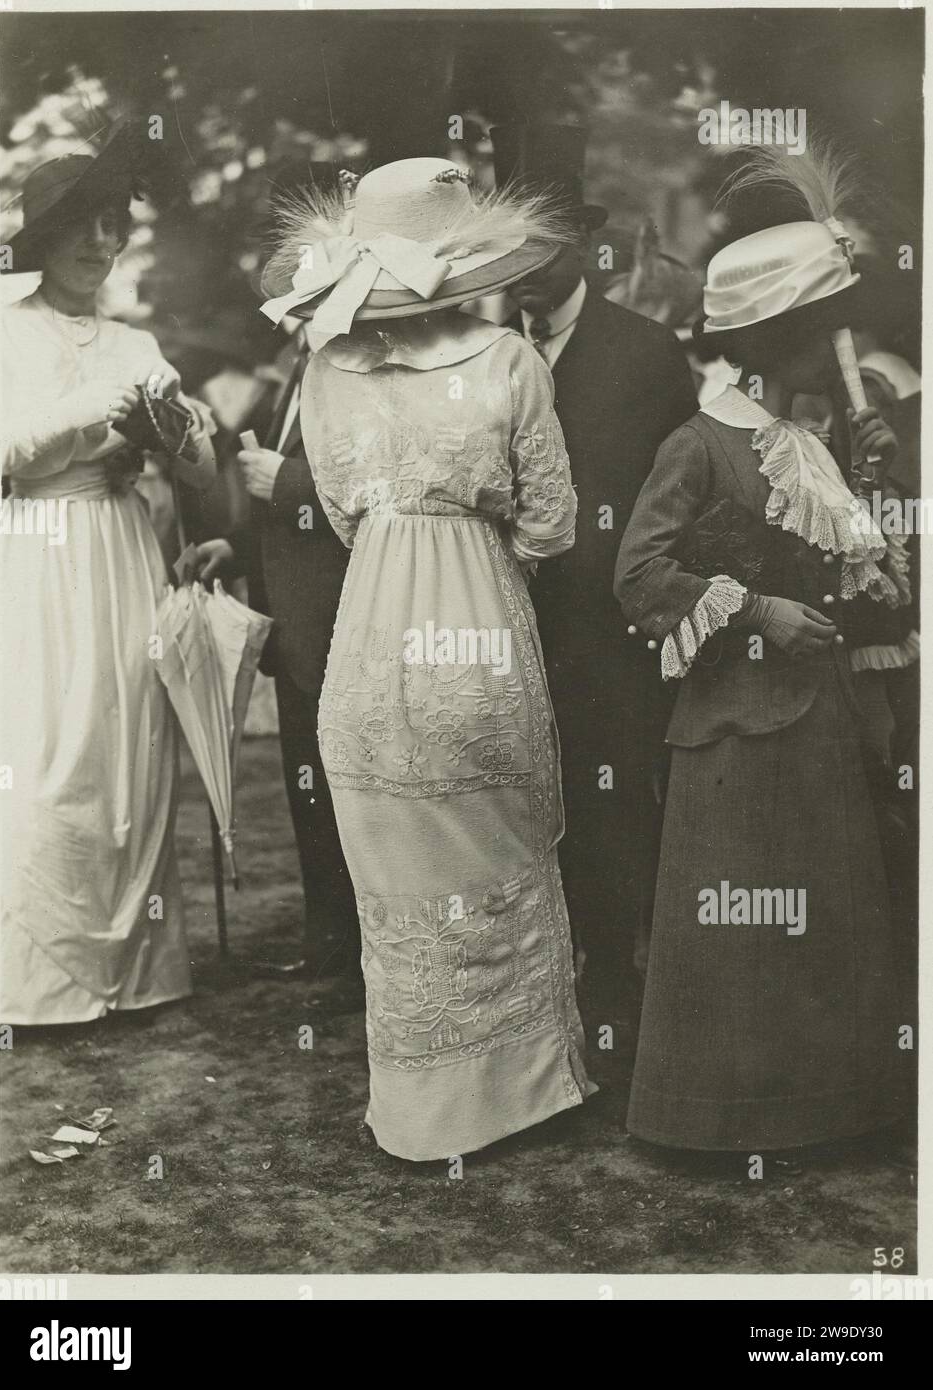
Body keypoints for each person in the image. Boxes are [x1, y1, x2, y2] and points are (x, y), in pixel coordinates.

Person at [259, 155, 596, 1161]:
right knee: (497, 848)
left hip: (370, 642)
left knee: (400, 877)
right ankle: (518, 1089)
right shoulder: (506, 361)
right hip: (476, 622)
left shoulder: (326, 368)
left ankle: (418, 1109)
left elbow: (333, 507)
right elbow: (551, 525)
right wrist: (482, 551)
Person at [614, 215, 910, 1154]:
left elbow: (872, 593)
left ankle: (821, 1115)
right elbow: (637, 574)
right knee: (736, 931)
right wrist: (753, 612)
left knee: (817, 926)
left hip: (820, 727)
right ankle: (720, 1121)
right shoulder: (698, 445)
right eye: (822, 327)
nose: (840, 348)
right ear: (772, 341)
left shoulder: (809, 448)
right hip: (735, 731)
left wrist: (873, 488)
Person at [0, 126, 216, 1025]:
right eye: (79, 229)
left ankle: (139, 971)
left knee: (133, 744)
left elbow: (199, 472)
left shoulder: (136, 342)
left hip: (124, 547)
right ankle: (39, 979)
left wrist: (177, 430)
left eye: (110, 226)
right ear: (43, 240)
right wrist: (92, 409)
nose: (98, 245)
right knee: (52, 748)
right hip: (37, 547)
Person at [488, 123, 699, 1006]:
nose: (524, 265)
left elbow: (682, 501)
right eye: (505, 248)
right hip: (502, 620)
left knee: (611, 801)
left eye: (542, 244)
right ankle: (539, 973)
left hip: (606, 628)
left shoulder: (642, 352)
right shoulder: (481, 357)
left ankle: (618, 979)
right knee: (516, 801)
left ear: (580, 243)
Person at [195, 165, 358, 980]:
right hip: (293, 620)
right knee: (308, 789)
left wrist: (286, 485)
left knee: (354, 789)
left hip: (350, 616)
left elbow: (383, 487)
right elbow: (264, 496)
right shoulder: (294, 373)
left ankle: (366, 951)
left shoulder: (366, 371)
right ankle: (328, 940)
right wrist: (232, 544)